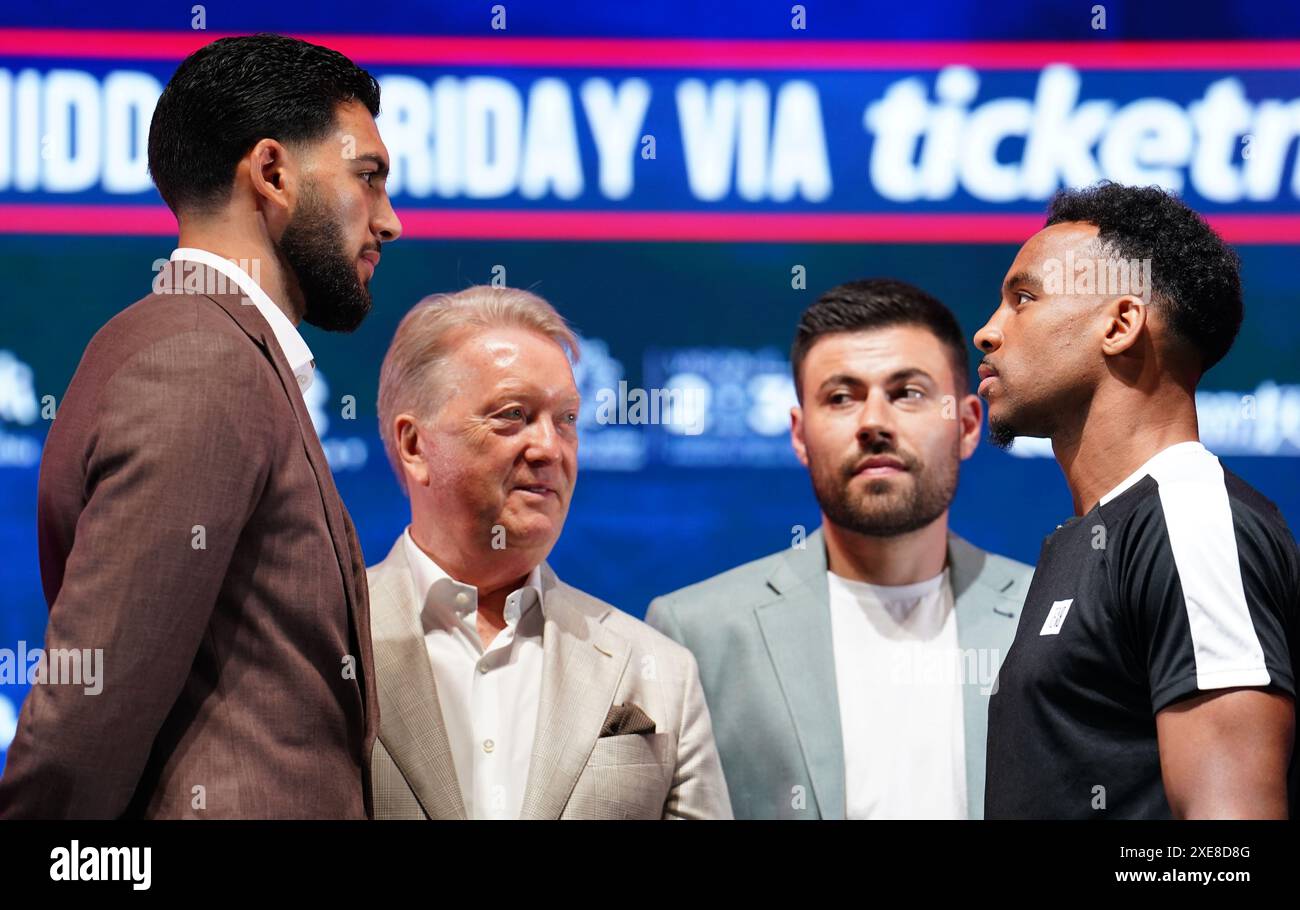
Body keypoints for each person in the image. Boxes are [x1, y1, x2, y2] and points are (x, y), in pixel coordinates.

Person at [0, 33, 402, 818]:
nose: (390, 221)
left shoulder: (196, 350)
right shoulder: (199, 362)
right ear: (273, 174)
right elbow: (88, 716)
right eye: (369, 178)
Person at [648, 279, 1033, 819]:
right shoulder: (697, 633)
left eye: (908, 393)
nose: (874, 422)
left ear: (968, 425)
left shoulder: (1047, 615)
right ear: (800, 435)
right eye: (841, 397)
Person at [976, 181, 1298, 819]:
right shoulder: (1104, 532)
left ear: (1121, 325)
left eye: (1024, 299)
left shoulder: (1191, 520)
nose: (987, 332)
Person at [369, 285, 731, 819]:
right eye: (513, 415)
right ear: (415, 446)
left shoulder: (660, 672)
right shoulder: (321, 640)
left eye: (565, 419)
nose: (549, 449)